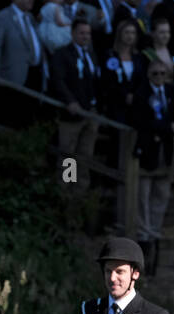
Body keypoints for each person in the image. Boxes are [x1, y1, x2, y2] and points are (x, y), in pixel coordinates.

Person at [134, 61, 174, 272]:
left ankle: (154, 234)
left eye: (163, 73)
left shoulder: (171, 91)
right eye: (155, 73)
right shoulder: (142, 93)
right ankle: (143, 238)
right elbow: (140, 119)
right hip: (147, 151)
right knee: (143, 197)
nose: (159, 76)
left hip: (166, 151)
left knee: (161, 195)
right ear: (148, 74)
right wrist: (166, 127)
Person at [50, 18, 101, 187]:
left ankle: (80, 191)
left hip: (90, 112)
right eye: (81, 33)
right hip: (71, 114)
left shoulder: (91, 54)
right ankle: (65, 191)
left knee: (85, 154)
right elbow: (58, 80)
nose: (85, 37)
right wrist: (70, 101)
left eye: (88, 33)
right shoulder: (62, 54)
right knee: (68, 155)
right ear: (73, 34)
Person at [0, 0, 47, 128]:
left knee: (30, 117)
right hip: (14, 75)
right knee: (13, 117)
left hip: (34, 73)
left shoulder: (30, 17)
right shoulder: (3, 16)